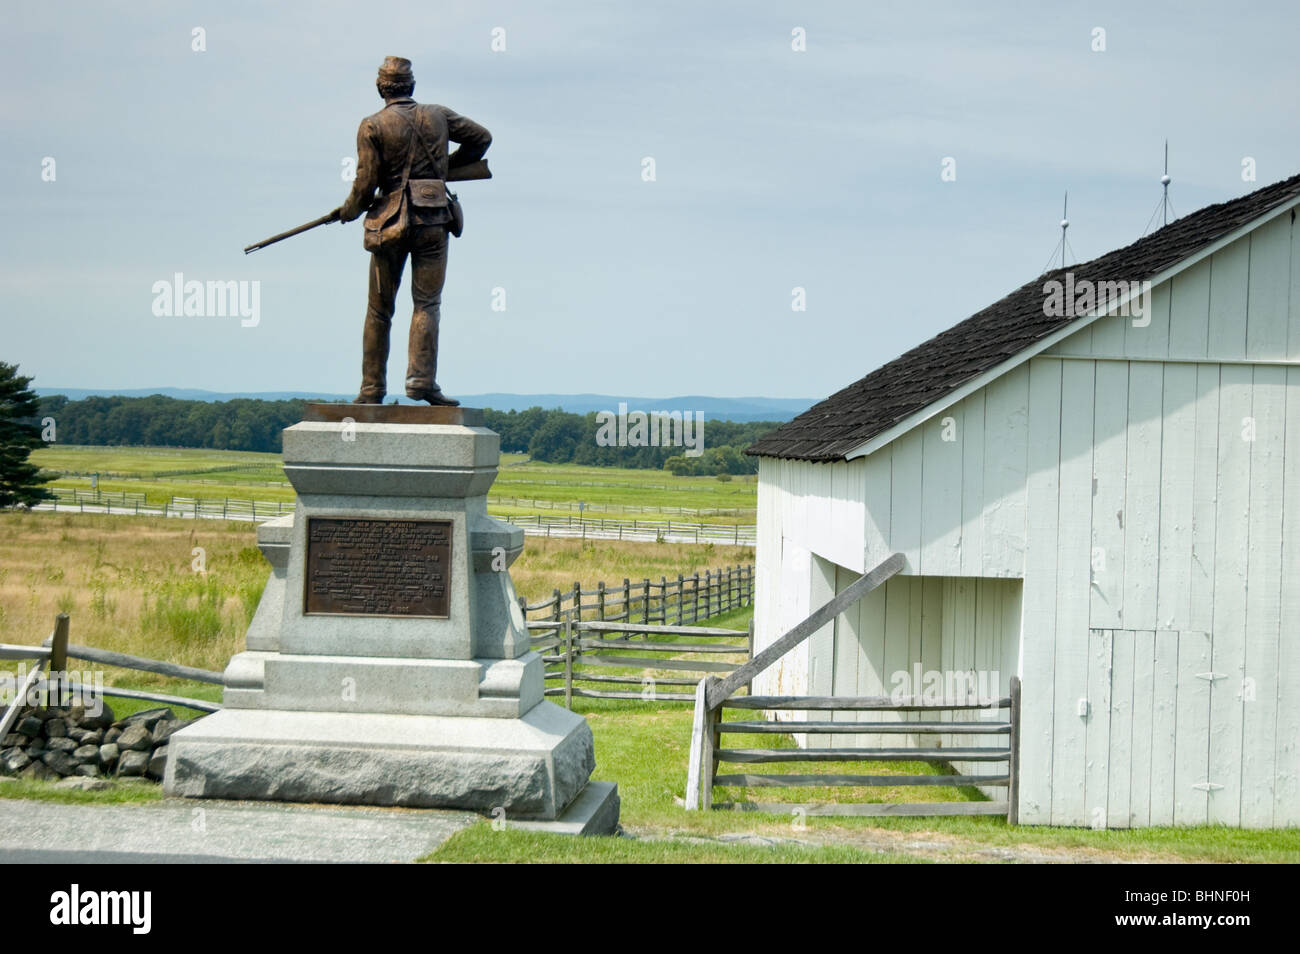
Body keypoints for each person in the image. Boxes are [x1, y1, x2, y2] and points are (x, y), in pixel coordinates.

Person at [338, 56, 492, 405]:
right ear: (412, 87)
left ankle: (371, 389)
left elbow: (365, 185)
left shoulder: (372, 125)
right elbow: (482, 138)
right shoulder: (437, 115)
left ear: (381, 88)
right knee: (427, 304)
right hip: (432, 219)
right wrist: (442, 171)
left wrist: (348, 211)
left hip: (388, 223)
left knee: (379, 309)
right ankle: (421, 381)